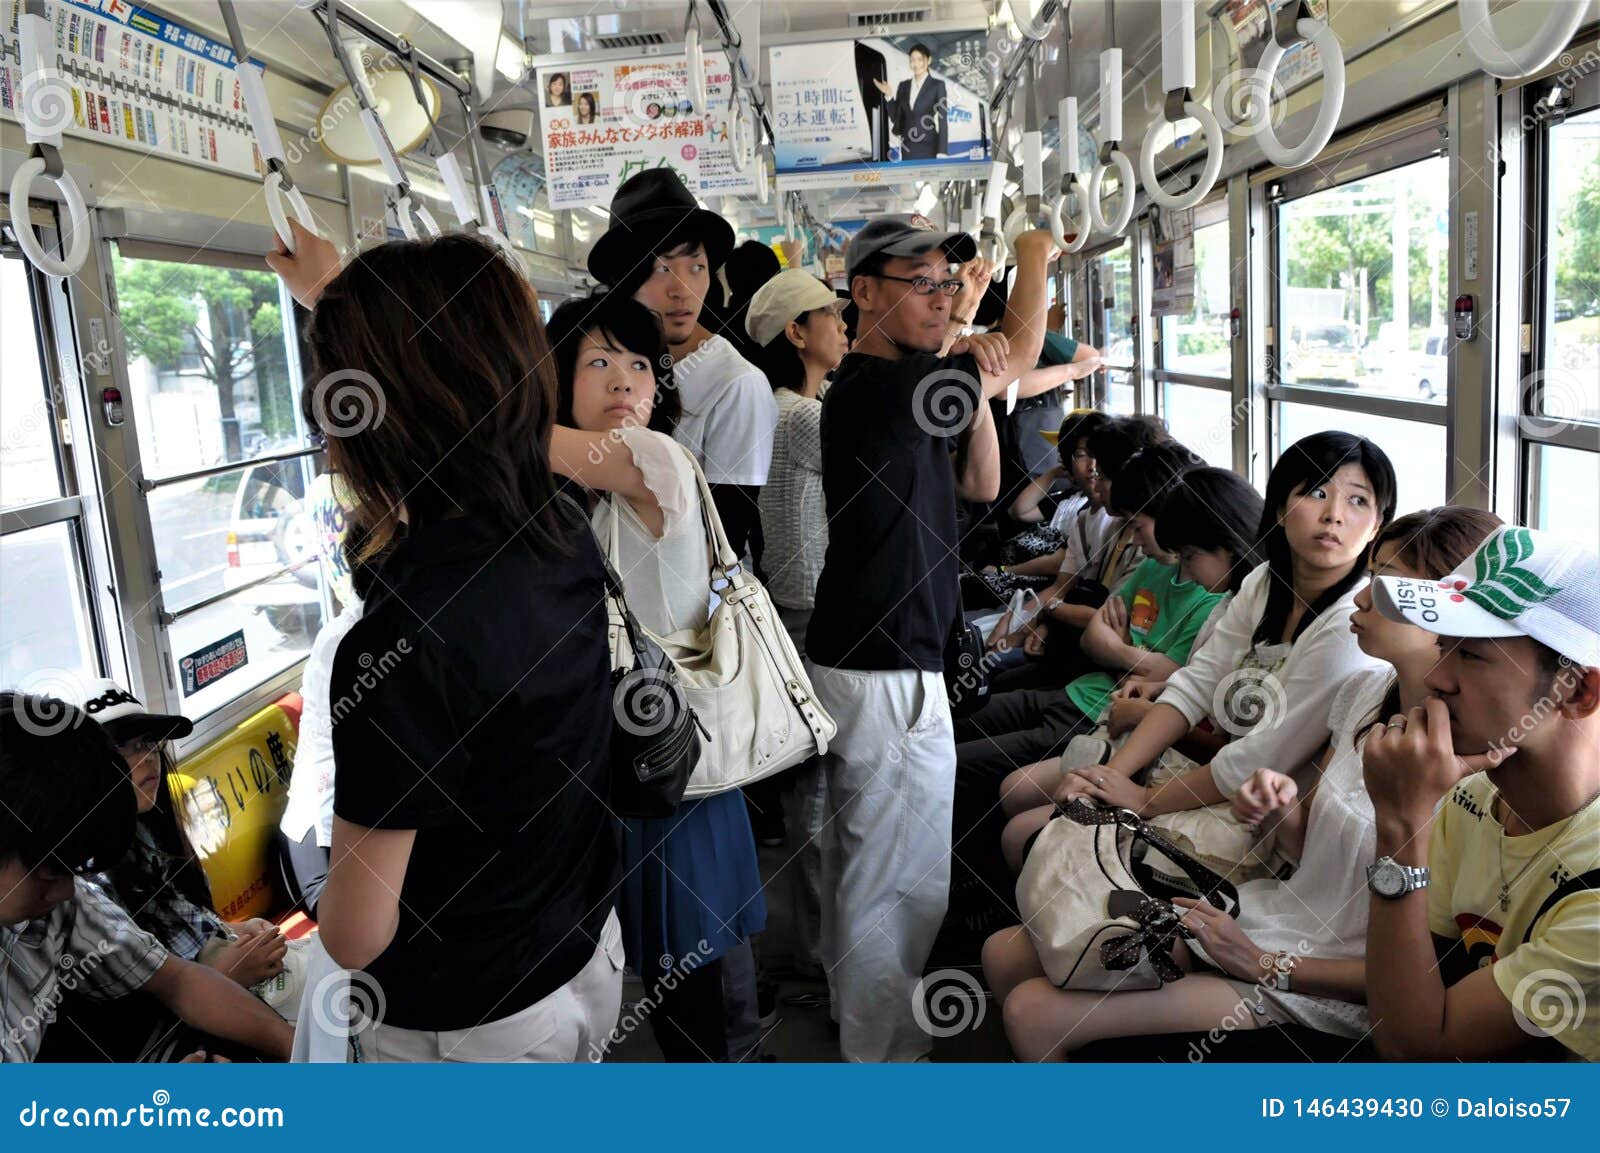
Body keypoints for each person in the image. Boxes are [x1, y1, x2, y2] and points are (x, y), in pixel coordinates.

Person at [267, 224, 624, 1063]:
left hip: (468, 1027)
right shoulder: (561, 535)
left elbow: (356, 933)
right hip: (583, 960)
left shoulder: (394, 646)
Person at [982, 506, 1505, 1060]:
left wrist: (1260, 962)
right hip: (1267, 916)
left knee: (1032, 1012)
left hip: (1327, 977)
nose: (1362, 596)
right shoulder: (1364, 696)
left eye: (1391, 584)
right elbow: (1308, 855)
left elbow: (1429, 974)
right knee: (1002, 953)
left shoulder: (1475, 764)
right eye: (1372, 576)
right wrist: (1280, 810)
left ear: (1451, 607)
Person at [803, 213, 1057, 1061]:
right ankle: (882, 1056)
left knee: (865, 856)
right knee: (899, 874)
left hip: (877, 652)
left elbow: (982, 483)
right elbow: (1022, 354)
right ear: (863, 290)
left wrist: (976, 375)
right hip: (885, 664)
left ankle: (857, 1016)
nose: (938, 297)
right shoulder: (879, 386)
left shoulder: (906, 386)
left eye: (946, 282)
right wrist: (1035, 253)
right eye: (919, 280)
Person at [546, 290, 768, 1064]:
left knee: (684, 989)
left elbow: (502, 440)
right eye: (599, 361)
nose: (624, 382)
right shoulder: (584, 493)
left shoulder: (655, 459)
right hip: (624, 758)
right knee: (668, 976)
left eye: (641, 365)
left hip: (669, 768)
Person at [1052, 431, 1397, 819]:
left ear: (1376, 526)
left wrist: (1145, 800)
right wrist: (1109, 778)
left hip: (1269, 816)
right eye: (1316, 492)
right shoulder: (1264, 582)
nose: (1334, 514)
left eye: (1358, 501)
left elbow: (1265, 754)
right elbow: (1197, 682)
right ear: (1281, 508)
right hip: (1213, 777)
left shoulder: (1349, 625)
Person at [1361, 525, 1599, 1061]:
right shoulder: (1469, 801)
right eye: (1444, 646)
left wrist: (1400, 826)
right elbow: (1421, 995)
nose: (1437, 678)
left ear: (1579, 691)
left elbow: (1415, 1050)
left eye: (1474, 655)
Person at [2, 693, 294, 1063]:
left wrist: (296, 1048)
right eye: (46, 869)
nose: (65, 890)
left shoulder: (62, 901)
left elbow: (175, 980)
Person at [952, 441, 1212, 787]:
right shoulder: (1152, 567)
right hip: (1075, 690)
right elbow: (1093, 636)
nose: (1133, 538)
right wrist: (1128, 652)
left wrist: (1117, 645)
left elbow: (1163, 673)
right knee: (949, 721)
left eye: (1138, 526)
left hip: (1094, 717)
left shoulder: (1210, 597)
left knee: (954, 762)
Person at [587, 169, 779, 567]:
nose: (683, 289)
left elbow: (726, 526)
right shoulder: (602, 367)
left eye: (696, 266)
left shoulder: (736, 384)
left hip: (684, 607)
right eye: (660, 268)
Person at [745, 269, 850, 976]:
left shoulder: (785, 409)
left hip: (793, 608)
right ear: (796, 333)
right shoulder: (804, 418)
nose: (844, 329)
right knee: (822, 791)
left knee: (813, 785)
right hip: (814, 611)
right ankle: (821, 956)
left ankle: (819, 946)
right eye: (832, 317)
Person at [873, 43, 947, 159]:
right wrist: (889, 96)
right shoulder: (903, 86)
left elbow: (943, 120)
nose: (916, 64)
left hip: (930, 146)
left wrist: (942, 151)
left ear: (929, 60)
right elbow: (896, 118)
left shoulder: (937, 85)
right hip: (908, 147)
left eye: (920, 60)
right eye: (912, 60)